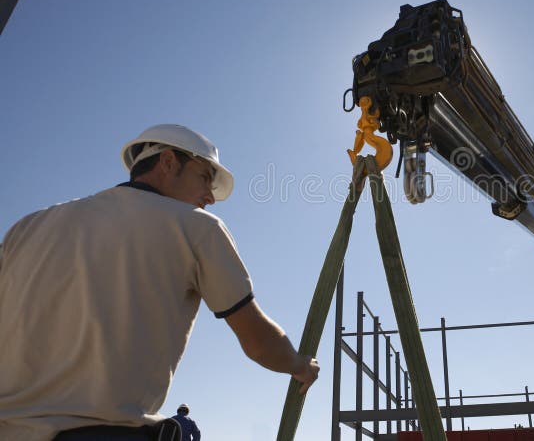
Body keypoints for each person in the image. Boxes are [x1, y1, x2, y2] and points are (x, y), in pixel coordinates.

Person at [0, 124, 319, 441]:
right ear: (168, 162)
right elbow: (258, 340)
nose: (210, 196)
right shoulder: (196, 227)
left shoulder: (26, 228)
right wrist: (299, 364)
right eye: (205, 177)